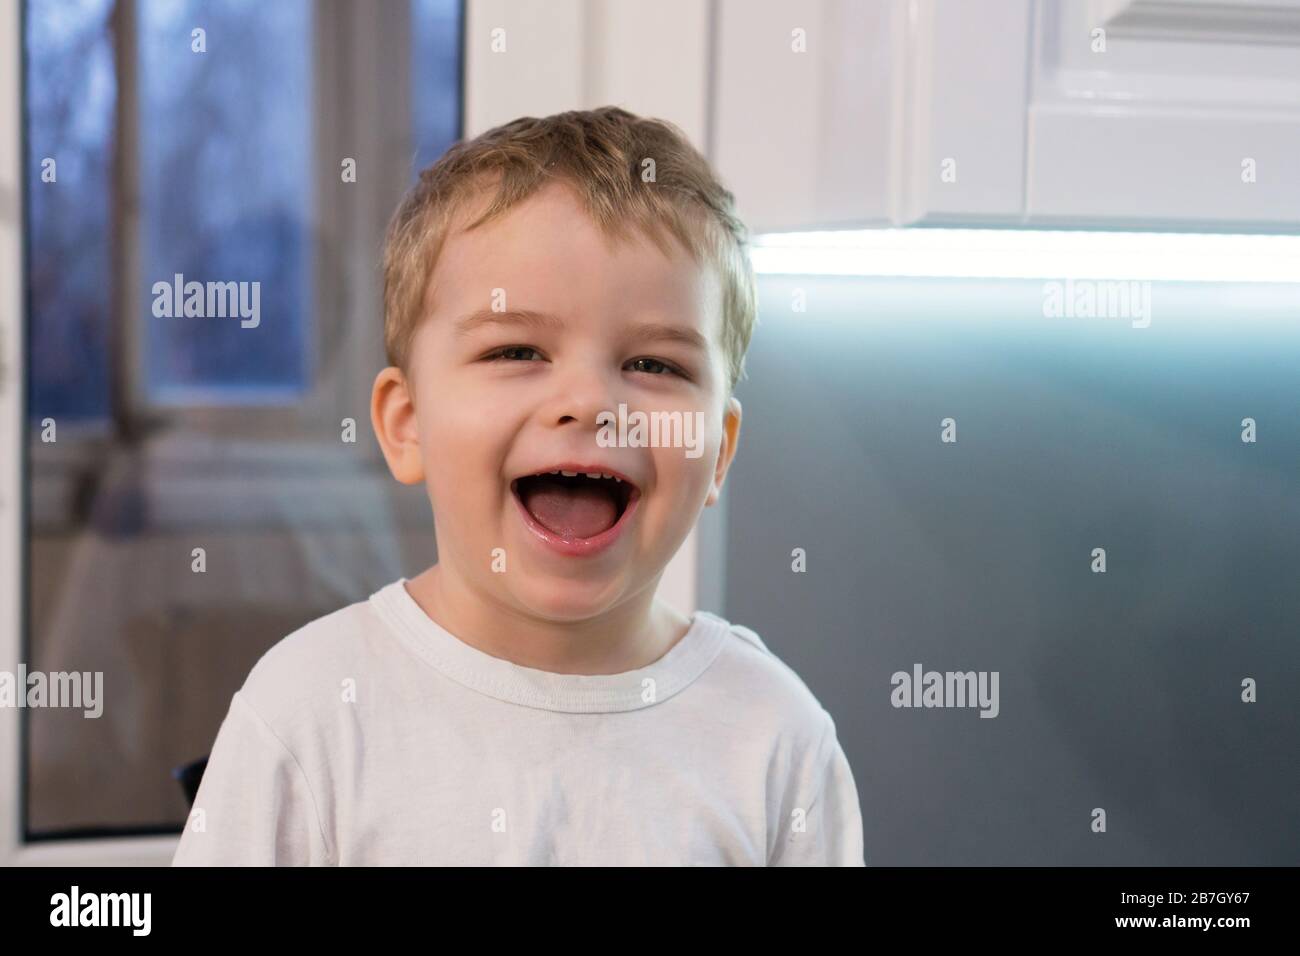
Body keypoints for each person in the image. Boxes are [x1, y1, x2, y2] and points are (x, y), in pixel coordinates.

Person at [172, 107, 864, 866]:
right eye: (518, 350)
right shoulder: (306, 715)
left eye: (656, 365)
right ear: (407, 424)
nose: (591, 402)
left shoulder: (776, 740)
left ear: (718, 453)